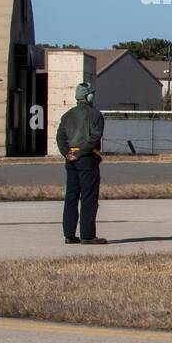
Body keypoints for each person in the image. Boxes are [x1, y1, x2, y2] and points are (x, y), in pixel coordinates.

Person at [56, 82, 106, 244]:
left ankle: (69, 235)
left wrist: (67, 153)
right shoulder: (95, 115)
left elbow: (60, 138)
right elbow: (94, 138)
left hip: (70, 161)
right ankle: (87, 235)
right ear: (88, 96)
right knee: (88, 198)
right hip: (87, 160)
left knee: (71, 197)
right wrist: (79, 153)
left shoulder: (67, 115)